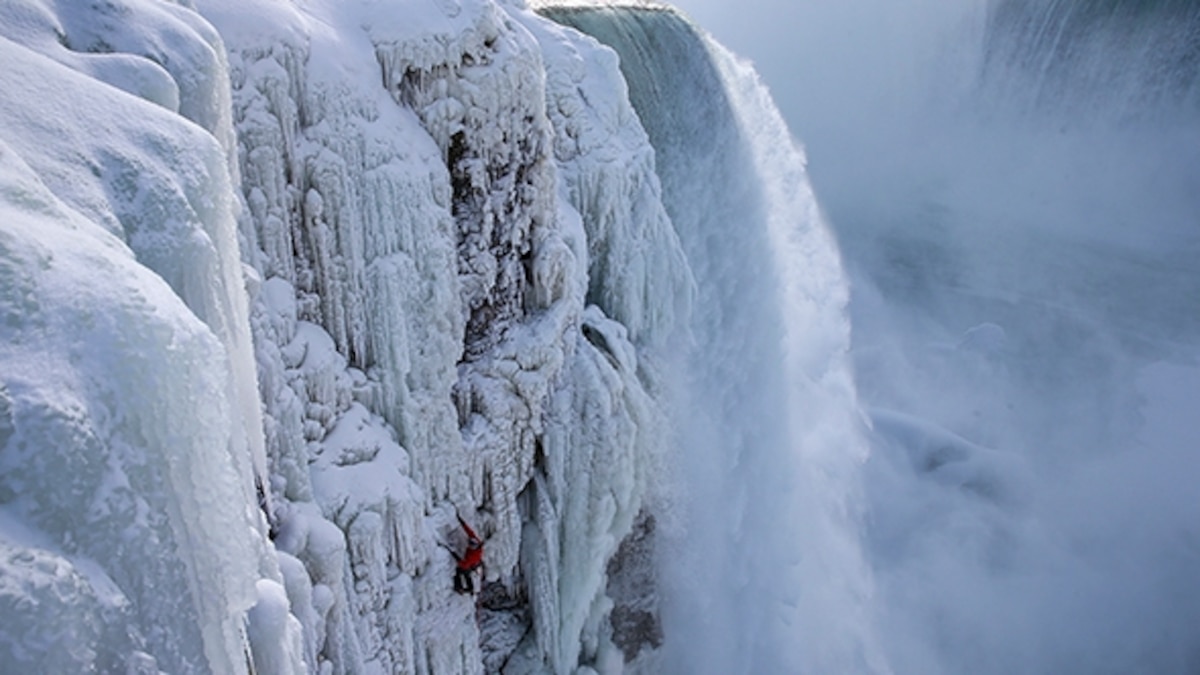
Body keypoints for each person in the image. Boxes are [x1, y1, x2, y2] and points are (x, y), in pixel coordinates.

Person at [452, 514, 484, 594]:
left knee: (460, 571)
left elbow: (463, 564)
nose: (468, 545)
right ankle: (470, 588)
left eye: (470, 545)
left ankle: (459, 587)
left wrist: (456, 556)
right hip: (473, 562)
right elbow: (469, 531)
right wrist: (462, 522)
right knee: (466, 573)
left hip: (471, 563)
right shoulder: (476, 541)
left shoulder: (472, 556)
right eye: (469, 543)